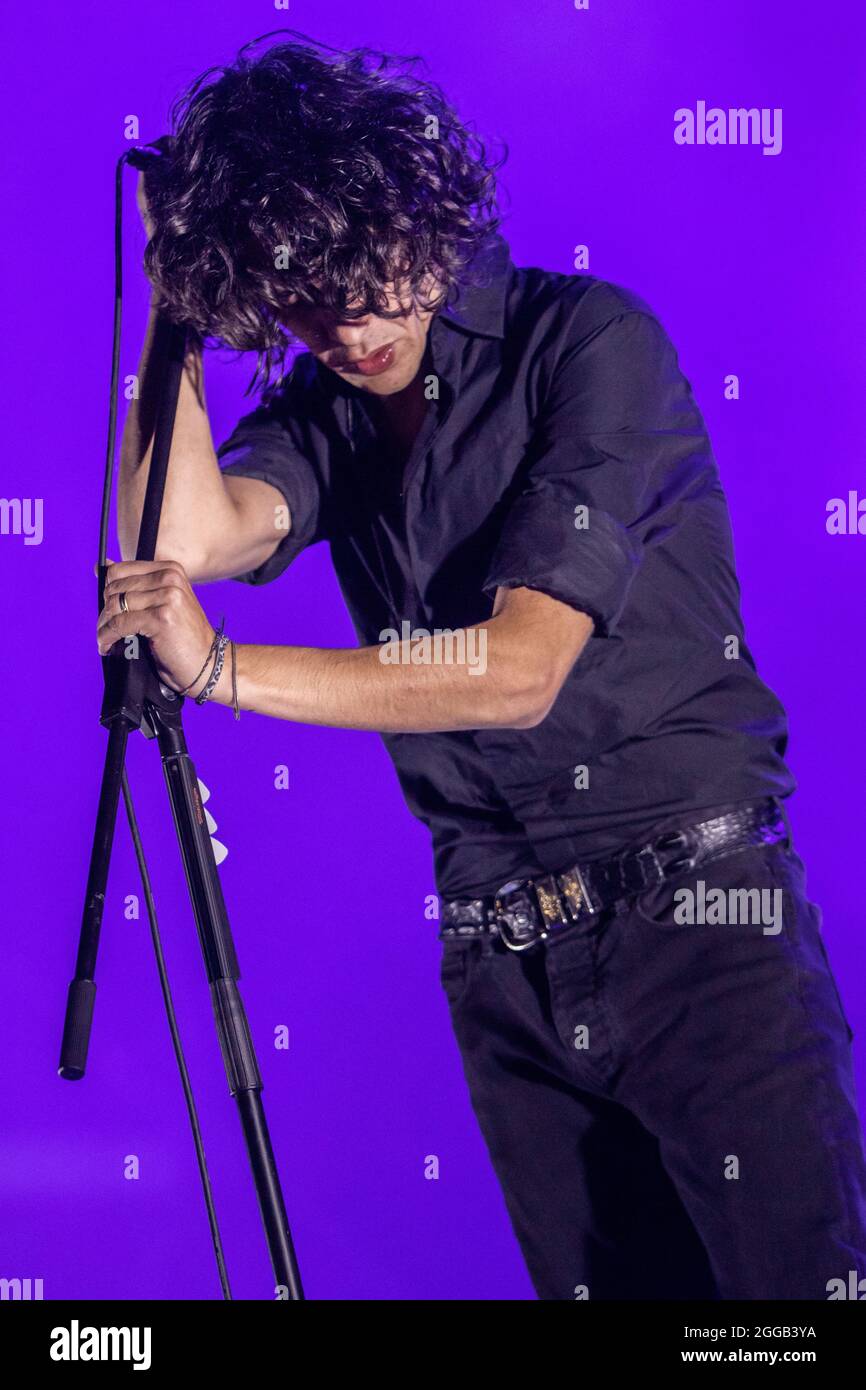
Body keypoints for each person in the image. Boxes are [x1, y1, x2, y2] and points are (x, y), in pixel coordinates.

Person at [98, 32, 866, 1300]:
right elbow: (179, 538)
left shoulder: (587, 343)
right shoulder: (330, 416)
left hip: (697, 925)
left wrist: (223, 669)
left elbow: (518, 670)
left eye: (363, 273)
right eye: (298, 296)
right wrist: (176, 293)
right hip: (499, 957)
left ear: (421, 210)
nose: (343, 322)